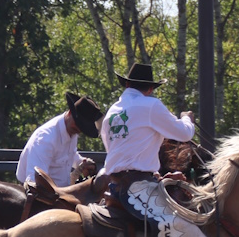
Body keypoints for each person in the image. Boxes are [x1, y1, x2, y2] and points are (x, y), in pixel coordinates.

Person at [101, 62, 195, 196]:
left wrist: (156, 175)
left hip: (112, 183)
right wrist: (186, 119)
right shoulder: (151, 105)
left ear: (127, 85)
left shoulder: (112, 111)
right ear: (150, 89)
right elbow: (185, 134)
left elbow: (115, 150)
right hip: (138, 186)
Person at [15, 91, 104, 187]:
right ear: (70, 113)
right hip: (41, 194)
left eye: (82, 128)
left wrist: (81, 162)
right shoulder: (45, 139)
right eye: (78, 124)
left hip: (60, 192)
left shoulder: (72, 130)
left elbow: (69, 155)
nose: (78, 129)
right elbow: (35, 181)